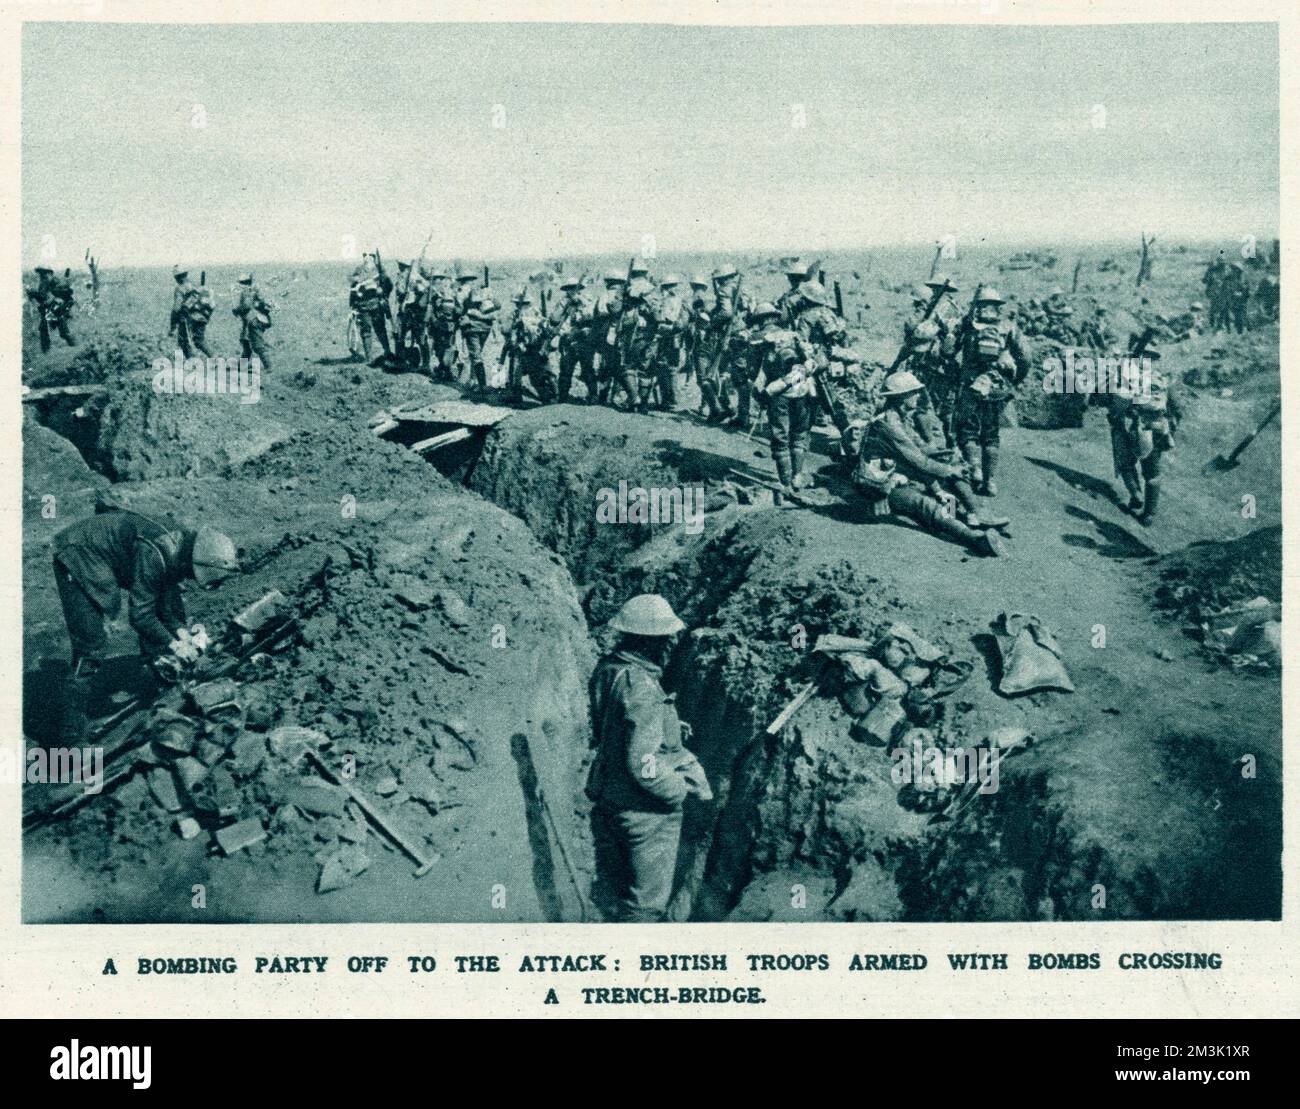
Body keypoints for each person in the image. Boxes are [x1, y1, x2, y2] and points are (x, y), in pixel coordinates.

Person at [51, 509, 240, 744]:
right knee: (91, 646)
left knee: (167, 611)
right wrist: (175, 645)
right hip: (79, 555)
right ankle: (69, 734)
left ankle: (161, 680)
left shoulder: (182, 546)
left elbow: (168, 609)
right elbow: (140, 616)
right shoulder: (157, 553)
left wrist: (183, 634)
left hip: (110, 551)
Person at [587, 594, 710, 922]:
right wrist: (678, 791)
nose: (671, 645)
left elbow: (613, 724)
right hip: (645, 811)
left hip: (609, 795)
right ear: (650, 641)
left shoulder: (609, 669)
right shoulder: (641, 686)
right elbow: (643, 765)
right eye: (666, 639)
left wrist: (668, 724)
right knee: (647, 906)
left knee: (618, 889)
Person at [856, 371, 1007, 556]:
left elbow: (919, 453)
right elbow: (919, 462)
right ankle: (972, 537)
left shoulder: (899, 417)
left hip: (897, 474)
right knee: (923, 504)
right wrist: (950, 472)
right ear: (903, 397)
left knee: (946, 487)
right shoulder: (889, 426)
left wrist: (941, 482)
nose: (918, 396)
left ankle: (971, 514)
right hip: (877, 488)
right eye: (914, 392)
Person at [952, 286, 1032, 497]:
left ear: (976, 305)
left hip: (971, 386)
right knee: (991, 435)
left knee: (967, 431)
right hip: (997, 388)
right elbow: (1025, 357)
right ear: (998, 307)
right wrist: (1014, 379)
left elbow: (949, 350)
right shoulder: (1008, 326)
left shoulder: (967, 324)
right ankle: (990, 482)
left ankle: (975, 469)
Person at [1104, 340, 1182, 524]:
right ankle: (1149, 514)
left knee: (1125, 463)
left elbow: (1115, 402)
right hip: (1156, 429)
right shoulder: (1163, 381)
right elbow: (1177, 410)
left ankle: (1135, 493)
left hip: (1130, 426)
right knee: (1152, 472)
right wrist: (1170, 429)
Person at [758, 316, 820, 503]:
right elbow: (812, 363)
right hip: (803, 391)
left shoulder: (763, 340)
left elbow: (759, 372)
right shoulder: (795, 337)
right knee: (799, 434)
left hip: (779, 395)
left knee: (780, 436)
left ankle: (785, 483)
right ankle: (797, 477)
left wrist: (763, 394)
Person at [550, 276, 596, 403]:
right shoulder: (562, 302)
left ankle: (593, 396)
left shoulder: (587, 300)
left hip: (584, 340)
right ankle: (563, 397)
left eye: (575, 288)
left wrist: (581, 304)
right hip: (567, 341)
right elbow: (554, 319)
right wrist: (565, 305)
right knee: (565, 371)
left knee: (587, 369)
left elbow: (592, 316)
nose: (572, 291)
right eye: (570, 289)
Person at [458, 286, 498, 394]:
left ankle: (482, 385)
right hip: (484, 329)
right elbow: (497, 307)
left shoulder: (467, 297)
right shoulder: (485, 295)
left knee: (476, 356)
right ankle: (473, 381)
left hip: (473, 329)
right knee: (476, 355)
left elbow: (460, 312)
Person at [28, 266, 76, 352]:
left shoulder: (55, 282)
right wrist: (33, 294)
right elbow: (42, 297)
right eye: (40, 274)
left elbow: (62, 292)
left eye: (44, 274)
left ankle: (74, 345)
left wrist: (33, 293)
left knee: (63, 332)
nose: (42, 276)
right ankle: (45, 350)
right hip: (47, 309)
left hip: (56, 309)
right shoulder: (43, 283)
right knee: (43, 328)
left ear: (50, 274)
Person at [169, 267, 214, 358]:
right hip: (202, 316)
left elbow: (176, 308)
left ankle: (193, 361)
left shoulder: (180, 288)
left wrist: (173, 325)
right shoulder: (195, 286)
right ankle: (214, 358)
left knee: (184, 341)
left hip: (187, 318)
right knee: (199, 340)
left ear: (177, 277)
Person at [423, 268, 459, 380]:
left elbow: (456, 308)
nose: (438, 281)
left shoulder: (450, 292)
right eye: (435, 279)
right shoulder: (431, 291)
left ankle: (445, 369)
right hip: (436, 323)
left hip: (448, 323)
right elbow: (426, 306)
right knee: (439, 347)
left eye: (440, 279)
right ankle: (443, 369)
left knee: (448, 347)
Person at [232, 273, 273, 369]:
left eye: (241, 283)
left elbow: (246, 306)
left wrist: (237, 310)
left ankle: (268, 366)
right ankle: (242, 365)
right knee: (246, 343)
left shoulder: (247, 291)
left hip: (254, 320)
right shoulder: (255, 289)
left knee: (257, 344)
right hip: (253, 320)